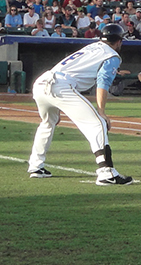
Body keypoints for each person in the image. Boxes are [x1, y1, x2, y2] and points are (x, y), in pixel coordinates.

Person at [26, 23, 133, 185]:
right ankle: (106, 172)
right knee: (97, 123)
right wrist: (101, 111)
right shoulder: (112, 55)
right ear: (119, 41)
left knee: (48, 123)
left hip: (42, 81)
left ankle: (35, 166)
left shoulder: (93, 46)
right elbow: (103, 82)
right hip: (60, 85)